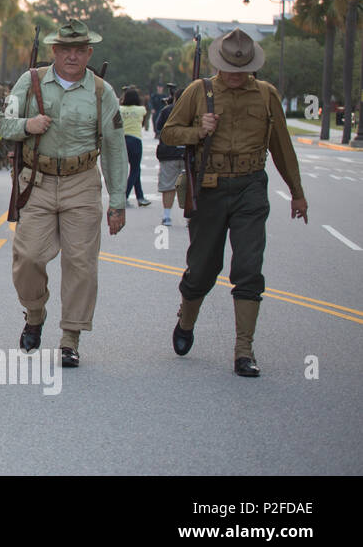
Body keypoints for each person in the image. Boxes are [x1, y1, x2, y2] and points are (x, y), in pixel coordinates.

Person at [159, 29, 307, 377]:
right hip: (209, 189)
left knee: (249, 268)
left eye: (242, 68)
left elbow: (282, 147)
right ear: (218, 64)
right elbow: (169, 133)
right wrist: (198, 130)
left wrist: (297, 192)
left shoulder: (267, 95)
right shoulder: (199, 91)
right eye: (229, 67)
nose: (236, 74)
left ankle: (244, 350)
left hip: (251, 187)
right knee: (203, 268)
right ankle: (186, 320)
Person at [0, 19, 128, 368]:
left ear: (89, 53)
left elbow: (115, 148)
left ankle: (71, 336)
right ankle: (35, 312)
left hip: (82, 183)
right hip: (37, 181)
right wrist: (28, 125)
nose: (72, 56)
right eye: (65, 49)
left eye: (79, 50)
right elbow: (2, 124)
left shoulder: (102, 92)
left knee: (81, 264)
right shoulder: (31, 81)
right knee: (28, 258)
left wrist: (118, 201)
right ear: (54, 51)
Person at [153, 84, 185, 226]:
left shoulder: (166, 110)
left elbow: (158, 127)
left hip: (168, 152)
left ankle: (167, 216)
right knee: (188, 186)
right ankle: (190, 217)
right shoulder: (193, 110)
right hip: (187, 153)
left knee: (168, 185)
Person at [120, 88, 150, 207]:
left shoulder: (120, 109)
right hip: (135, 140)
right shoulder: (141, 109)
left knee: (134, 169)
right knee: (135, 168)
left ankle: (140, 197)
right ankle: (125, 196)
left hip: (122, 140)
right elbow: (144, 112)